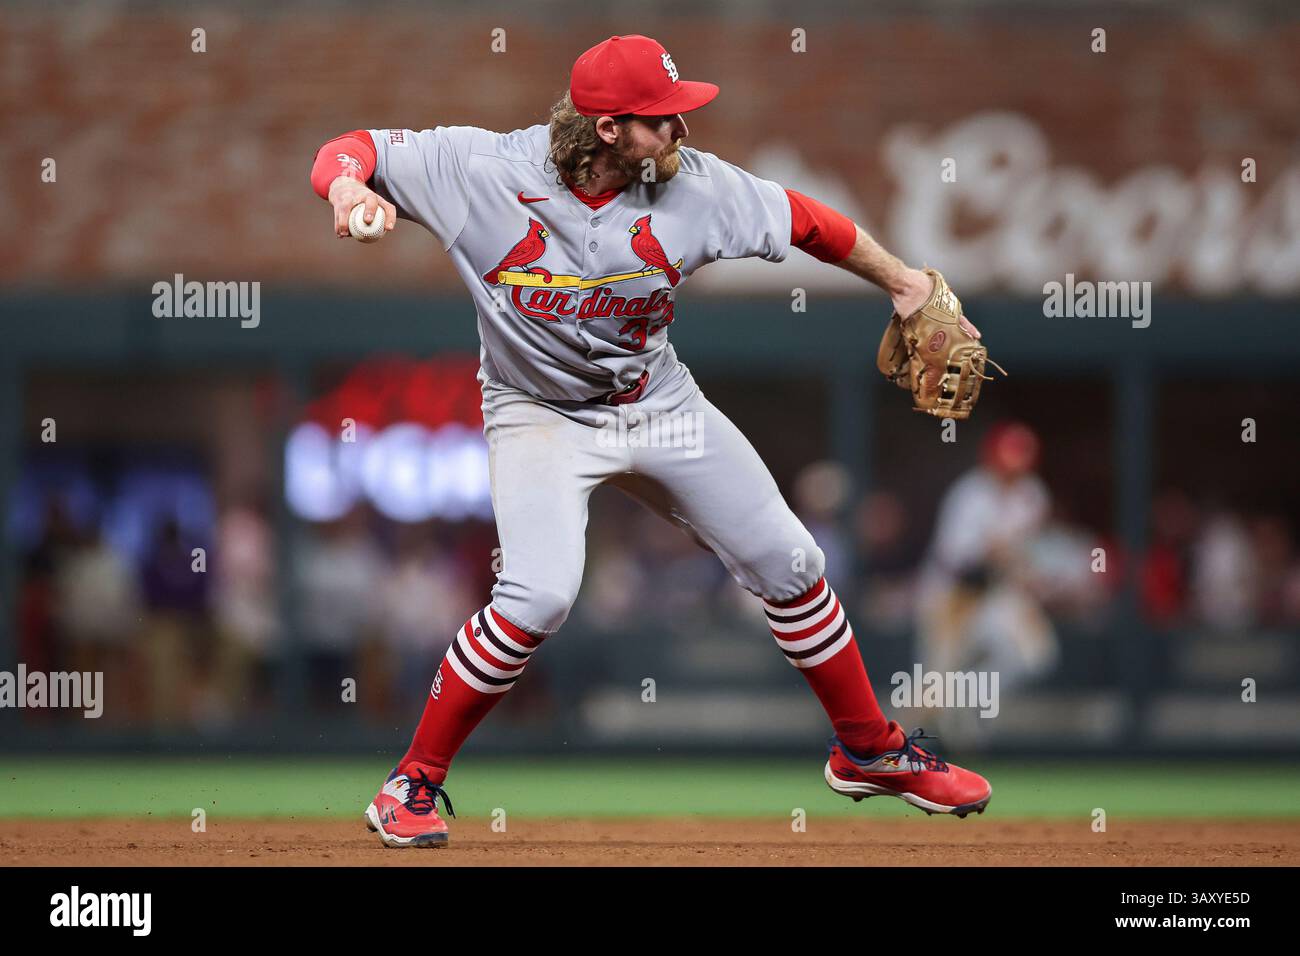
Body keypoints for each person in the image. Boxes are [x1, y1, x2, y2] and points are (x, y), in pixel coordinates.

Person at [310, 34, 991, 848]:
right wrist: (349, 191)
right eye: (661, 119)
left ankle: (869, 750)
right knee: (539, 596)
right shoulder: (481, 170)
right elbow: (346, 150)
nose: (681, 132)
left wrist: (907, 283)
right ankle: (410, 783)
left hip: (657, 401)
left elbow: (809, 222)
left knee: (793, 562)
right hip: (539, 412)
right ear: (606, 130)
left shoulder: (695, 188)